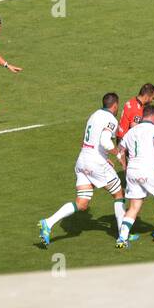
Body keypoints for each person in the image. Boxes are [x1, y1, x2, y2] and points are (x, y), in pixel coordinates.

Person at [38, 93, 127, 245]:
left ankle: (48, 222)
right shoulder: (111, 119)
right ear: (115, 105)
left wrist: (106, 158)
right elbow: (105, 141)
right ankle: (123, 236)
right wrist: (118, 154)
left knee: (82, 203)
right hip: (95, 163)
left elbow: (90, 140)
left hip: (82, 161)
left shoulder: (94, 115)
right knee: (119, 193)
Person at [115, 104, 154, 247]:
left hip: (132, 171)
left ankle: (122, 239)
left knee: (134, 205)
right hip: (148, 169)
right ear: (153, 115)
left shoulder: (130, 131)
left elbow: (120, 151)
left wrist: (124, 165)